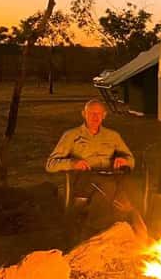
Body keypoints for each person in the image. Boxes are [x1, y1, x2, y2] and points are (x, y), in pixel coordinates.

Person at [47, 99, 148, 241]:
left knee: (132, 193)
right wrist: (72, 163)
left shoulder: (113, 136)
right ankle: (92, 233)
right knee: (109, 189)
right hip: (84, 179)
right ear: (84, 114)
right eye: (91, 113)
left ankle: (141, 239)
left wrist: (124, 160)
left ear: (104, 115)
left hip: (111, 176)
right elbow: (51, 164)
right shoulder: (71, 136)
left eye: (98, 114)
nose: (95, 117)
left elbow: (130, 159)